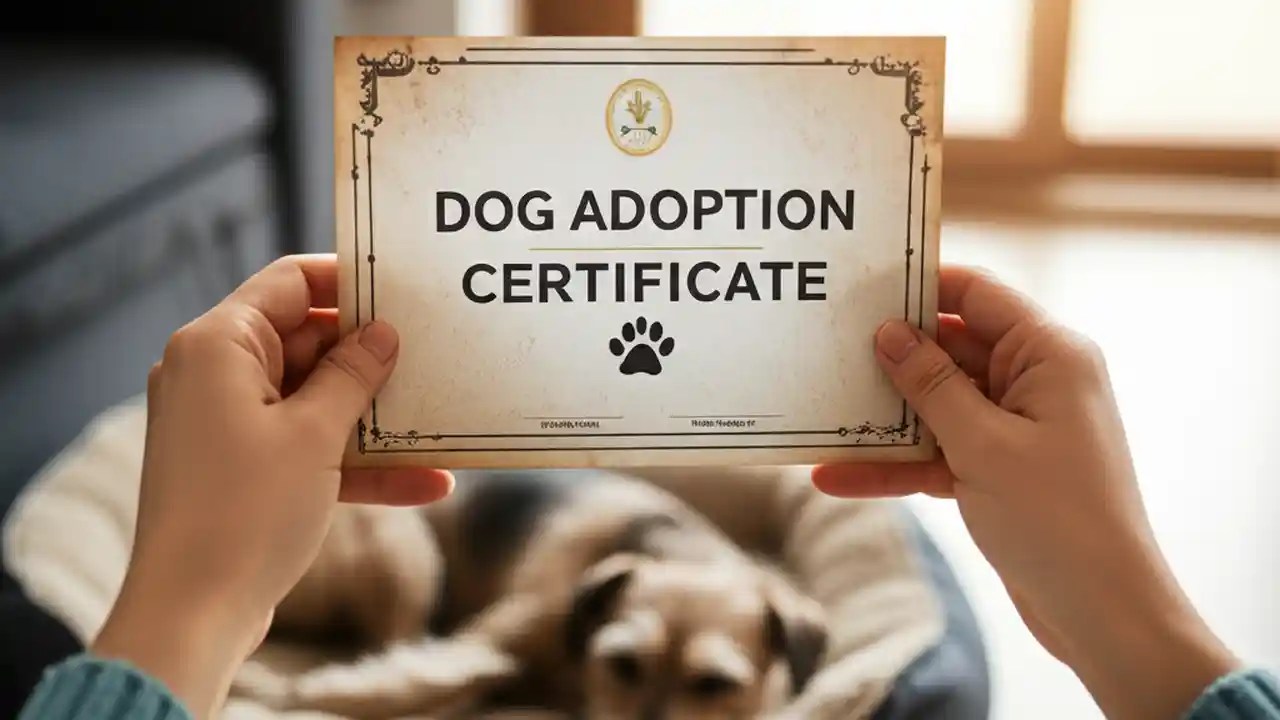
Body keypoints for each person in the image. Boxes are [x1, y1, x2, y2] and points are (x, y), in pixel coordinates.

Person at [15, 256, 1279, 720]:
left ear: (782, 657)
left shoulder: (783, 604)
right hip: (427, 547)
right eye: (625, 675)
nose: (658, 711)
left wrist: (167, 628)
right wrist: (1131, 629)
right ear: (592, 632)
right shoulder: (593, 589)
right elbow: (436, 668)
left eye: (710, 696)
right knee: (414, 607)